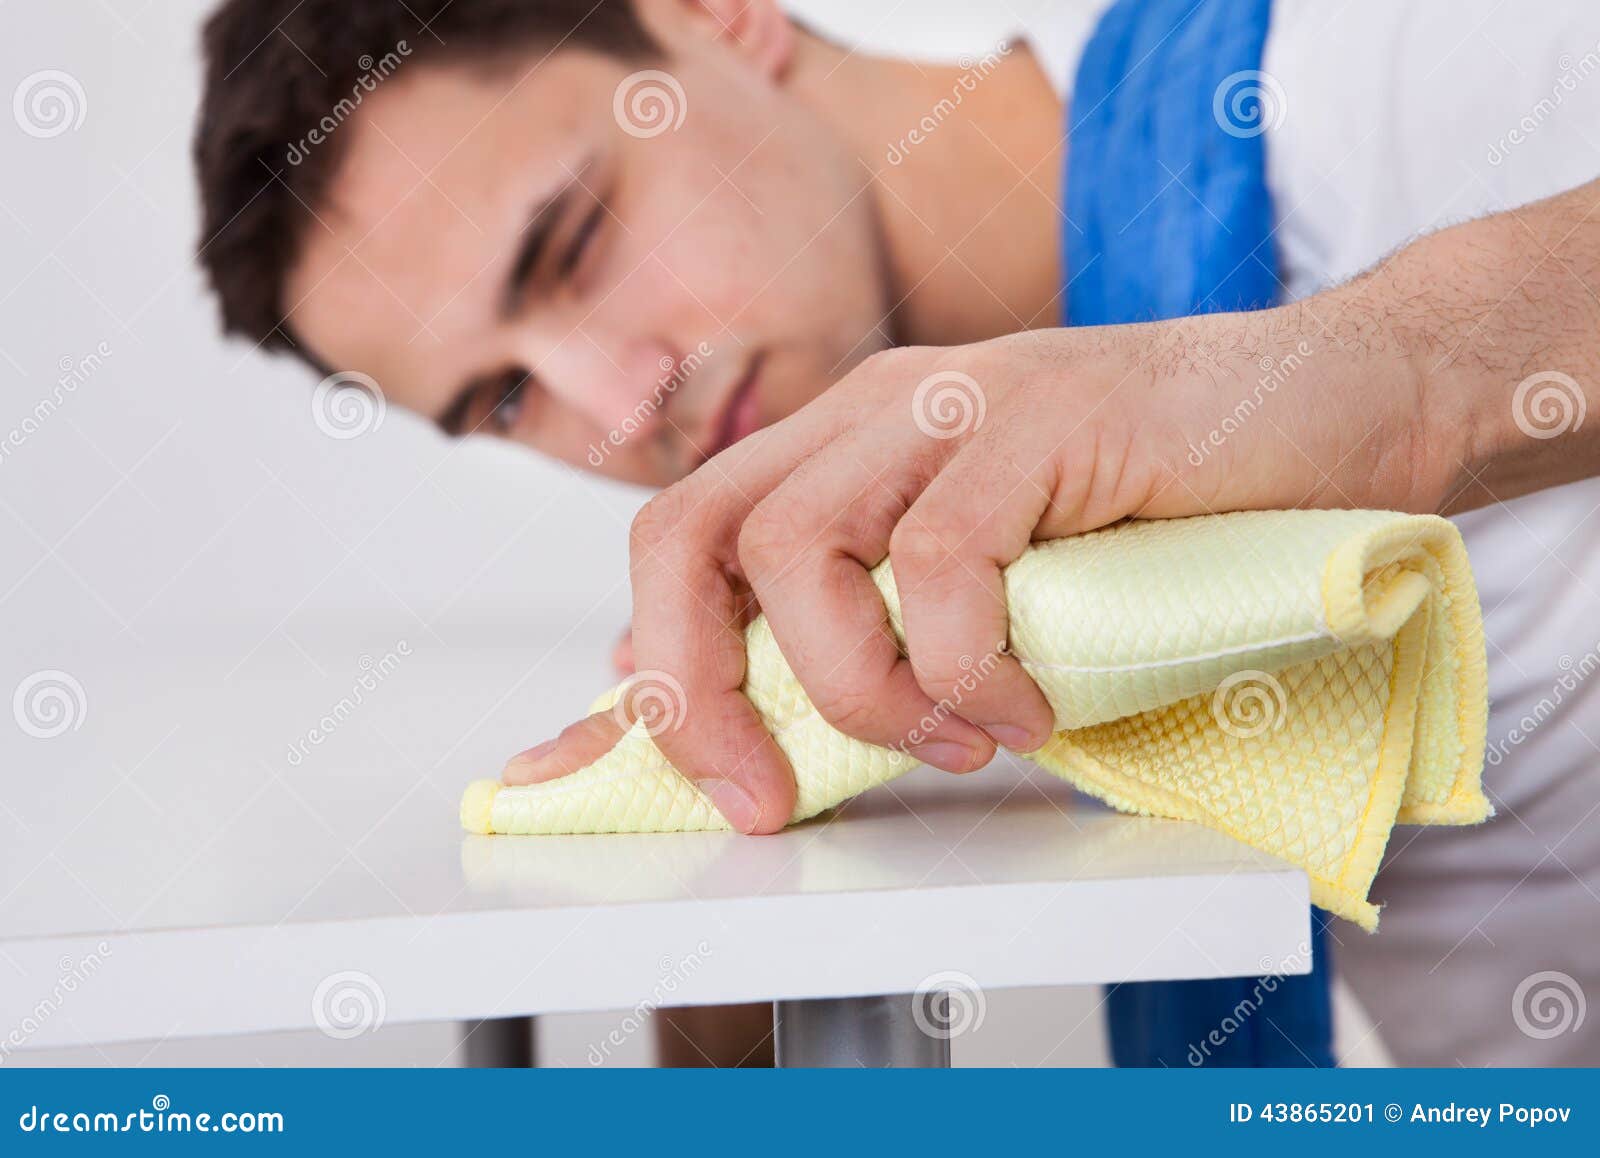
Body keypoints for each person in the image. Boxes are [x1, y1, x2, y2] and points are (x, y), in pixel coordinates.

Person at [195, 0, 1600, 1065]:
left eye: (572, 243)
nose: (624, 407)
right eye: (506, 398)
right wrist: (737, 929)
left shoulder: (1393, 64)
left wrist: (1401, 374)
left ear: (714, 19)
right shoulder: (903, 632)